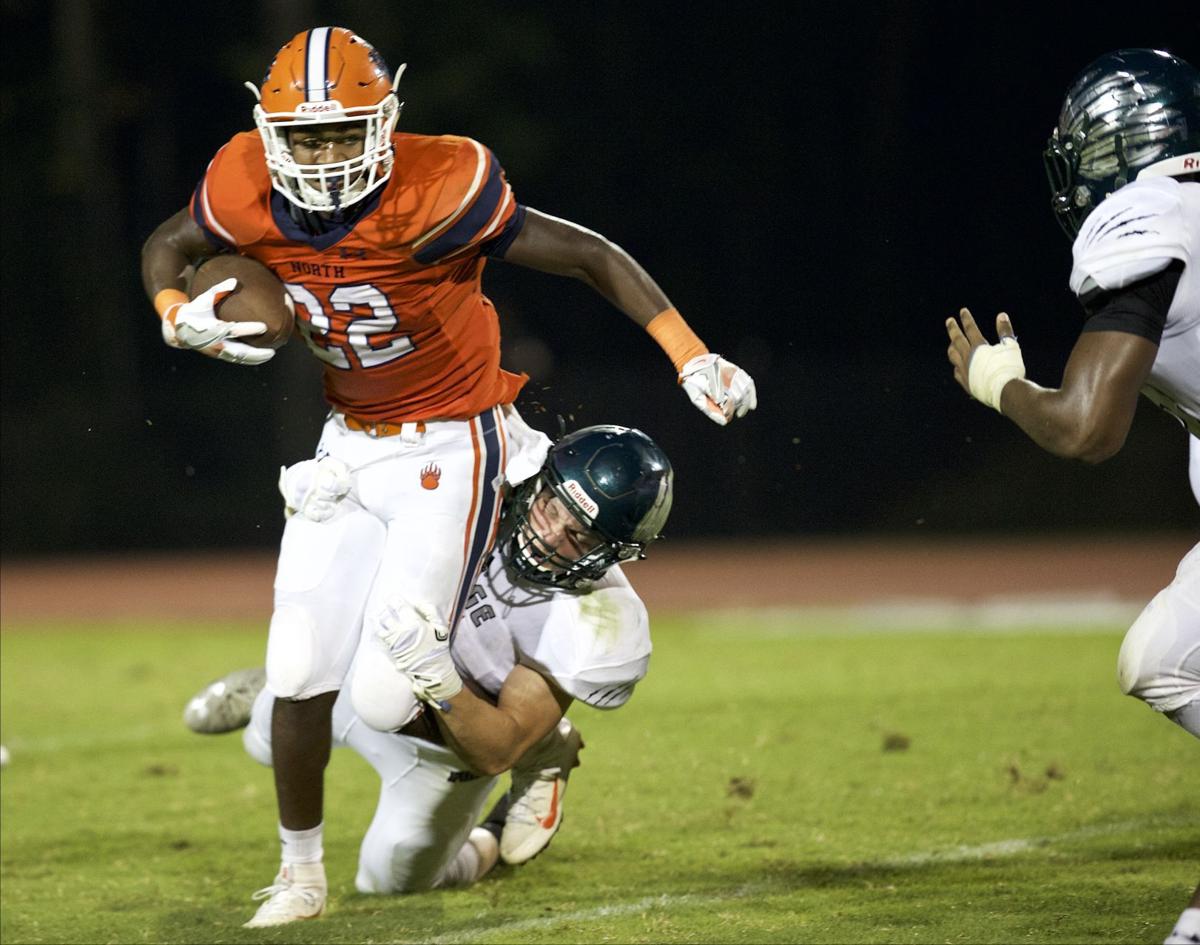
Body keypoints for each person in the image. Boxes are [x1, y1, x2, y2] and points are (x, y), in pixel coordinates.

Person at [140, 26, 755, 928]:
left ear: (386, 122)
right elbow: (167, 244)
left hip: (449, 442)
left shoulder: (443, 186)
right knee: (300, 660)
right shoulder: (242, 182)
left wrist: (687, 351)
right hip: (347, 438)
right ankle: (299, 873)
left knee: (395, 689)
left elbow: (587, 253)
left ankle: (538, 750)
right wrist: (171, 312)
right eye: (303, 136)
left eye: (342, 132)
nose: (321, 154)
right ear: (269, 130)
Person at [183, 424, 671, 912]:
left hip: (447, 744)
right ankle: (283, 680)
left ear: (613, 553)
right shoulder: (486, 479)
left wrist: (436, 675)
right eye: (550, 508)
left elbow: (494, 750)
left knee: (396, 878)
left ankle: (533, 765)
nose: (547, 536)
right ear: (538, 481)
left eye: (578, 536)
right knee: (267, 742)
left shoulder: (599, 619)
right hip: (362, 671)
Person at [943, 48, 1199, 945]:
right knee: (1162, 655)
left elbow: (1089, 429)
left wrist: (997, 384)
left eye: (1088, 150)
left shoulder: (1149, 215)